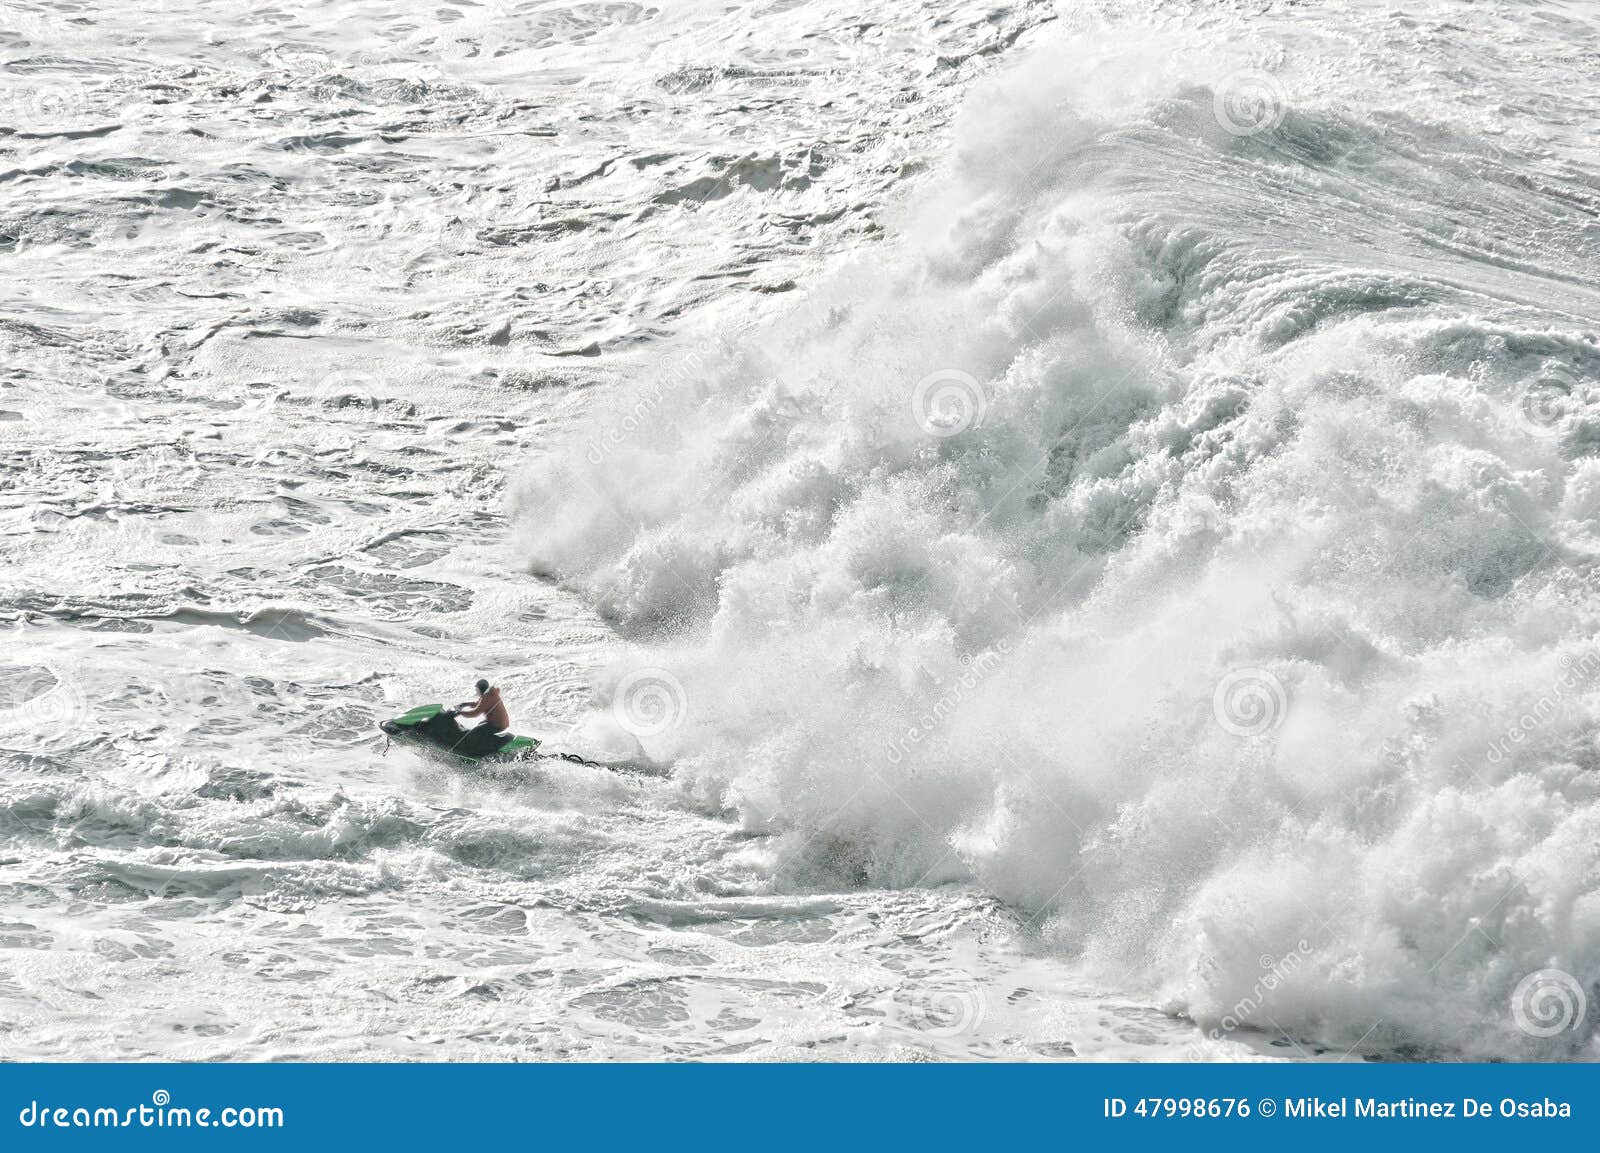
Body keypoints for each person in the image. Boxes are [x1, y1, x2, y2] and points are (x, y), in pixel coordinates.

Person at [444, 678, 512, 754]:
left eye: (477, 689)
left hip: (497, 724)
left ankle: (474, 752)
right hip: (498, 722)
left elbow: (475, 713)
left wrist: (460, 713)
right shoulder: (489, 694)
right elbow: (478, 704)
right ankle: (483, 745)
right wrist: (465, 704)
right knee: (480, 725)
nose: (476, 691)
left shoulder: (487, 697)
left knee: (473, 733)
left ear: (481, 689)